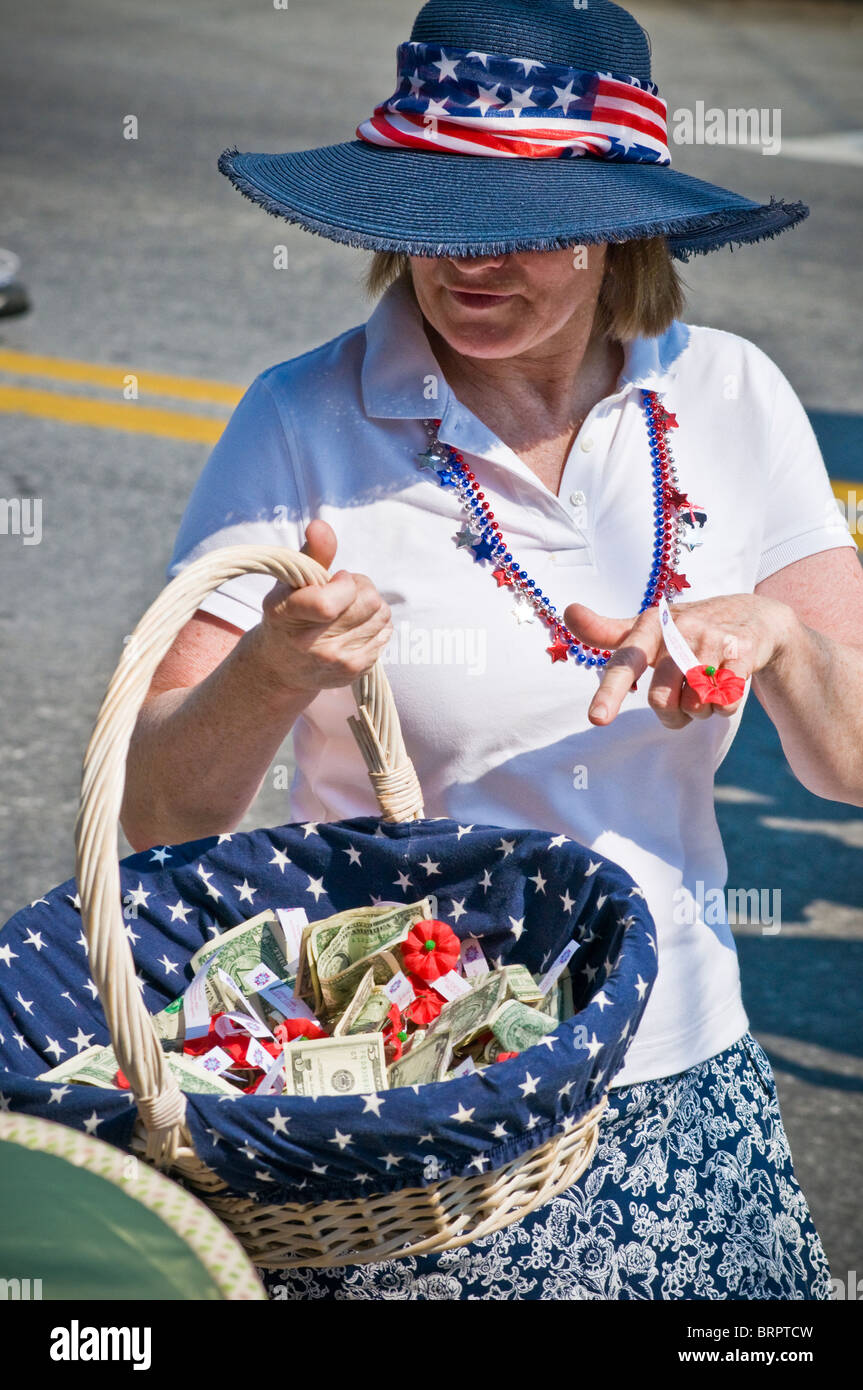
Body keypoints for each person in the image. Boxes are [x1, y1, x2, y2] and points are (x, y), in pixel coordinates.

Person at [121, 0, 863, 1299]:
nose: (468, 262)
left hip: (682, 1082)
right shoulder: (300, 421)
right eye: (433, 216)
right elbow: (153, 808)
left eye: (518, 226)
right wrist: (274, 669)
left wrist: (780, 637)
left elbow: (852, 758)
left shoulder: (732, 396)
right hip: (412, 1116)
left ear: (620, 221)